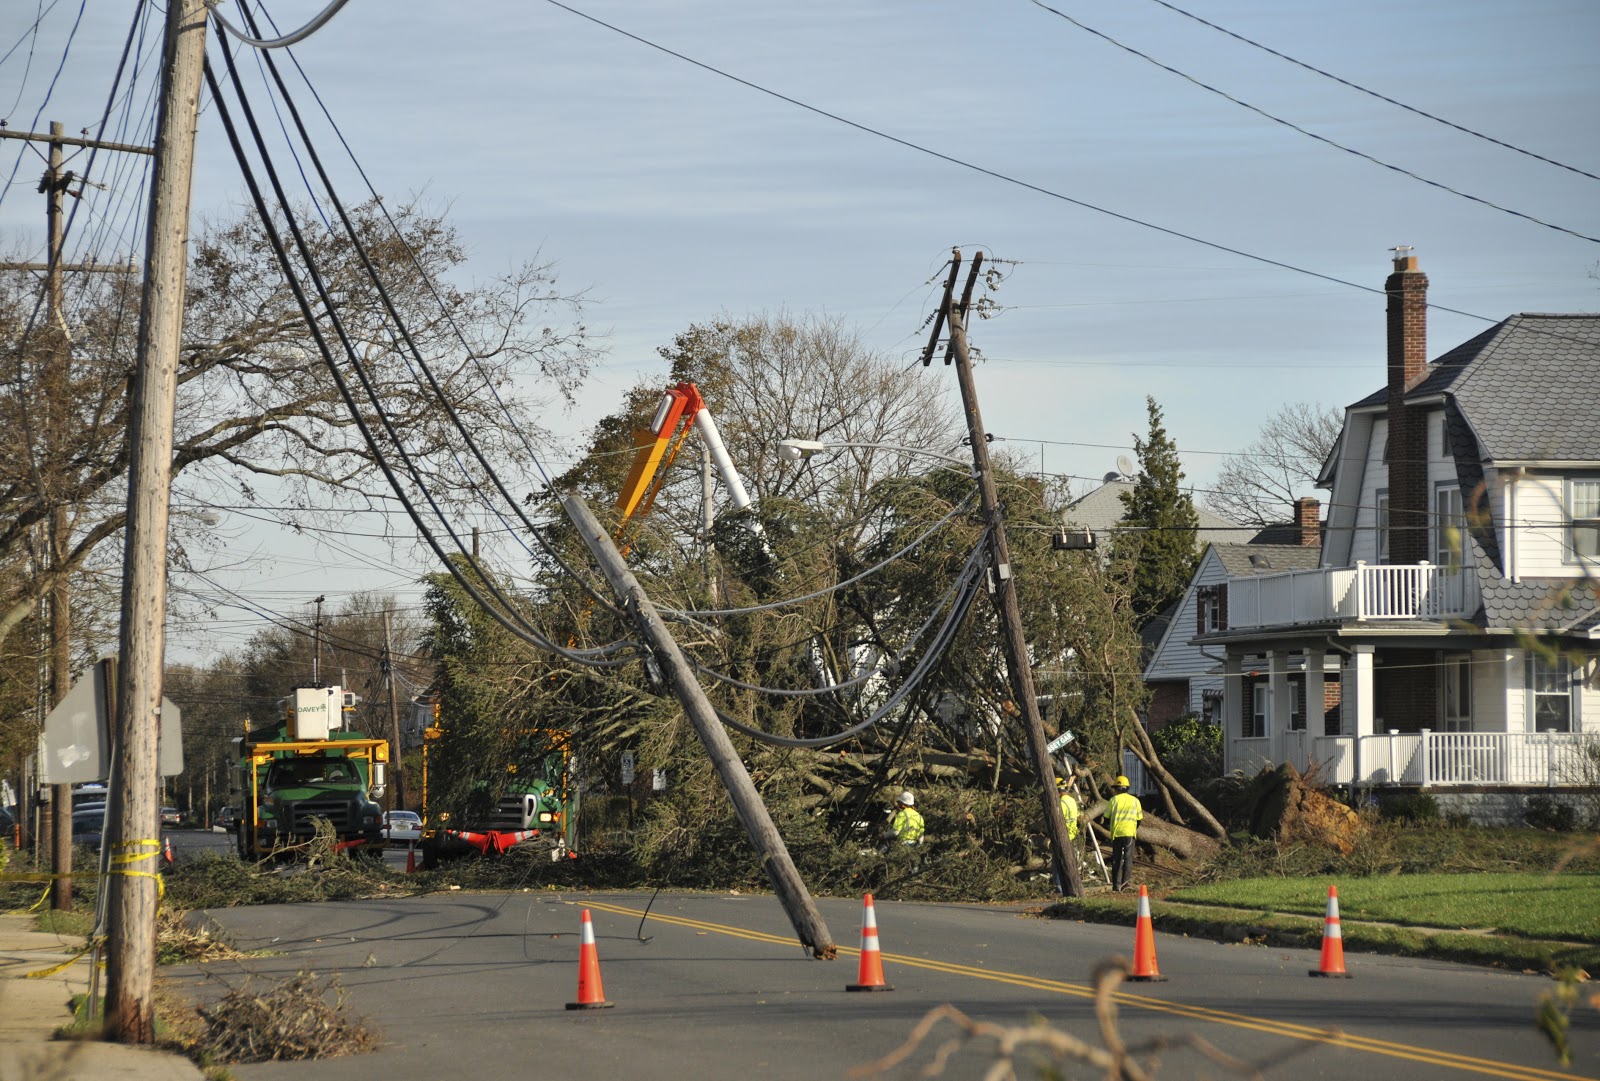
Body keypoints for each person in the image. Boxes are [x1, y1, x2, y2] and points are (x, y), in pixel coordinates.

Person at [1104, 775, 1143, 891]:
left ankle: (1116, 885)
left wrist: (1109, 826)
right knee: (1128, 859)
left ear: (1117, 789)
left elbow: (1106, 817)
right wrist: (1133, 828)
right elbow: (1139, 819)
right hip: (1130, 833)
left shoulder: (1113, 800)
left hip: (1116, 834)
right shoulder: (1135, 801)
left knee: (1116, 859)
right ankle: (1126, 884)